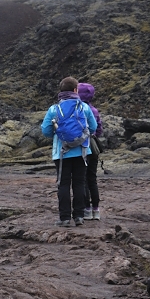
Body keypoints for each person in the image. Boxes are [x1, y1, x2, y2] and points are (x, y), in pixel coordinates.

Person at [41, 77, 97, 227]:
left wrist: (58, 133)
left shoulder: (54, 109)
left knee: (63, 184)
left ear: (61, 92)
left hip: (61, 153)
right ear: (75, 90)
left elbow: (46, 131)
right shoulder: (84, 107)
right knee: (79, 183)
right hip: (82, 152)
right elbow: (93, 127)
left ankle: (64, 218)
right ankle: (79, 216)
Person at [78, 82, 103, 221]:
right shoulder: (94, 110)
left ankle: (86, 209)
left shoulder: (79, 109)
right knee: (92, 179)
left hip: (82, 147)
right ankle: (96, 210)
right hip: (94, 147)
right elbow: (99, 129)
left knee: (82, 179)